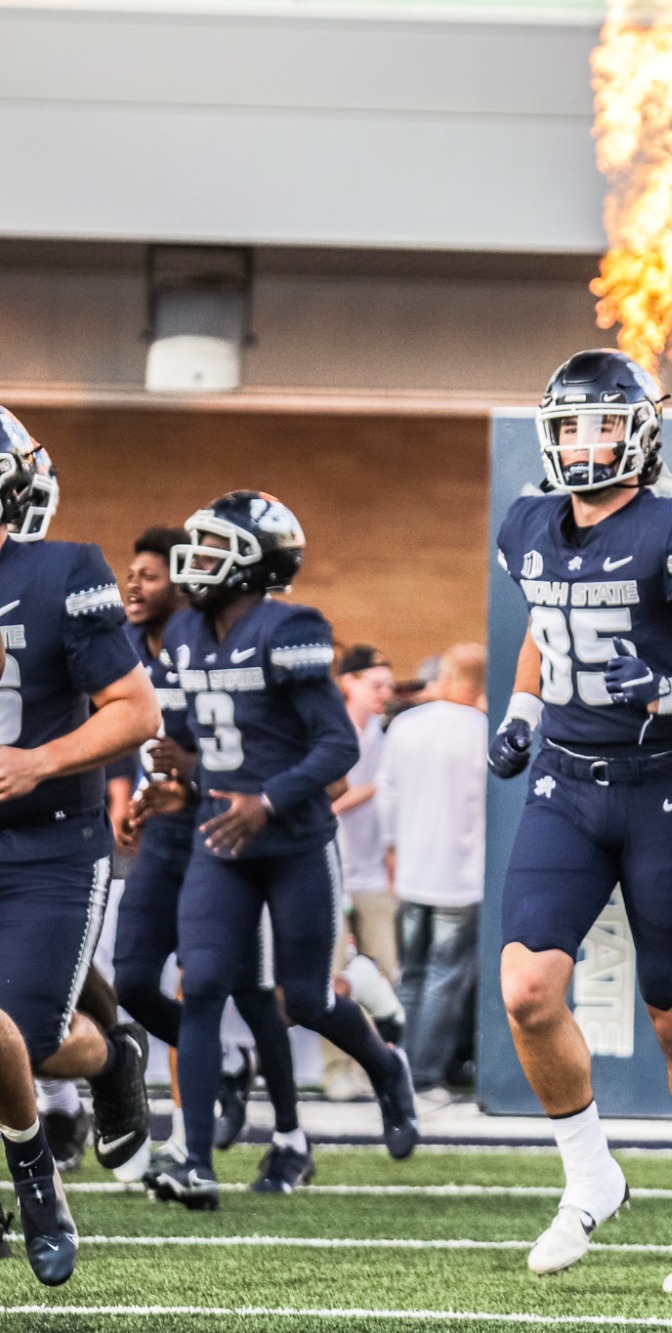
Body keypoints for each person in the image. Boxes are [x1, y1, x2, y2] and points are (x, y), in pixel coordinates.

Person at [487, 349, 672, 1291]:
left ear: (641, 432)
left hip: (661, 785)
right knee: (528, 991)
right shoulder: (530, 524)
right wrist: (522, 714)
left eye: (604, 423)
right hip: (565, 784)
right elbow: (549, 624)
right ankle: (591, 1172)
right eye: (571, 426)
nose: (586, 443)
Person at [138, 490, 420, 1209]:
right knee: (199, 984)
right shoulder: (189, 633)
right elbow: (206, 745)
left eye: (211, 550)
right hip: (221, 837)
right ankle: (194, 1157)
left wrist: (266, 800)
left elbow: (338, 745)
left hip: (292, 839)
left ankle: (387, 1069)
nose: (194, 564)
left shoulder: (290, 626)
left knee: (308, 999)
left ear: (254, 563)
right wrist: (179, 773)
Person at [0, 410, 160, 1285]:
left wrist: (38, 762)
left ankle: (96, 1078)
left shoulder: (64, 570)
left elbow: (137, 711)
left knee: (21, 1038)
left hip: (48, 842)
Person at [114, 526, 301, 1184]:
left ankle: (288, 1132)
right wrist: (128, 793)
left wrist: (189, 786)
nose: (133, 584)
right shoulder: (124, 647)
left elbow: (250, 746)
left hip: (224, 833)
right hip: (166, 836)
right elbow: (119, 732)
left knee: (244, 990)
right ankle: (223, 1065)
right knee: (134, 979)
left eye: (150, 574)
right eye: (130, 572)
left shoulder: (213, 644)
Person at [379, 642, 488, 1101]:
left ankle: (398, 1071)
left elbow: (387, 794)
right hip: (461, 876)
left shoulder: (405, 725)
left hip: (412, 869)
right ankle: (424, 1076)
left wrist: (391, 853)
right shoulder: (483, 731)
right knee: (446, 978)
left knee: (412, 977)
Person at [335, 644, 400, 978]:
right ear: (349, 683)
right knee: (334, 977)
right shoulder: (328, 734)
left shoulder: (389, 734)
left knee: (387, 971)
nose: (385, 693)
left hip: (375, 874)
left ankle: (383, 1032)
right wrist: (377, 784)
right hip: (333, 873)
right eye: (376, 685)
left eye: (388, 685)